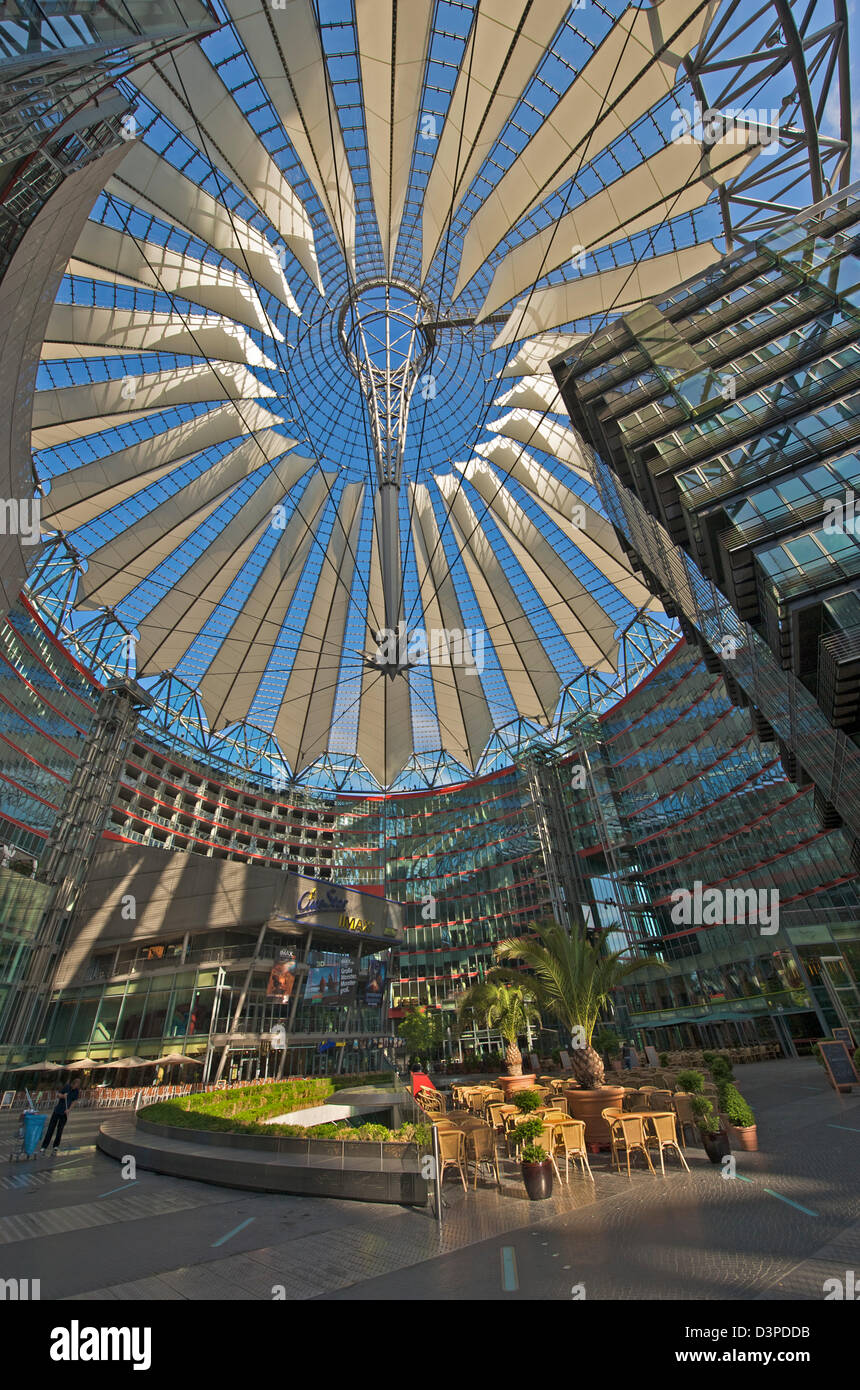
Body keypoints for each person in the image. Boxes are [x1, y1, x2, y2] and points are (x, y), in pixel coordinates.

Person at [41, 1076, 80, 1154]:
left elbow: (74, 1101)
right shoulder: (66, 1087)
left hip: (64, 1113)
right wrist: (63, 1096)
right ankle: (44, 1146)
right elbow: (58, 1095)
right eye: (76, 1085)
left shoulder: (76, 1091)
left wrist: (69, 1109)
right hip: (57, 1110)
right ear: (73, 1083)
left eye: (78, 1085)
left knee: (60, 1130)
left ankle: (56, 1146)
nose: (76, 1086)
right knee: (51, 1129)